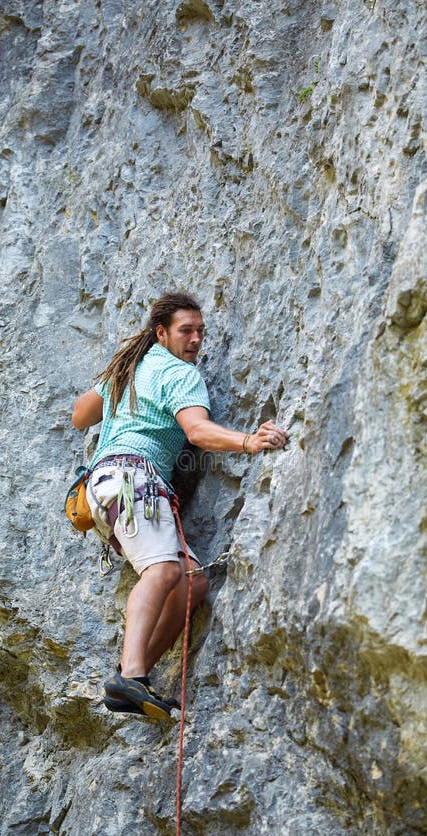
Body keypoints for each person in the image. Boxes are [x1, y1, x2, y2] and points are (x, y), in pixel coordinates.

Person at [72, 291, 289, 719]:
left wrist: (119, 393)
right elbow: (197, 431)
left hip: (105, 487)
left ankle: (128, 681)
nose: (195, 340)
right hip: (135, 481)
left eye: (200, 332)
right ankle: (131, 675)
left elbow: (81, 415)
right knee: (164, 570)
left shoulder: (129, 368)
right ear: (161, 333)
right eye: (185, 331)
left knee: (191, 582)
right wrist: (248, 441)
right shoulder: (181, 374)